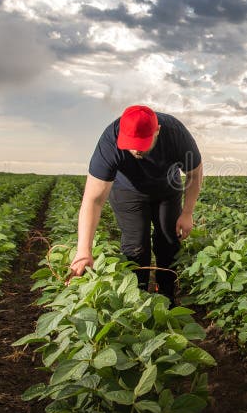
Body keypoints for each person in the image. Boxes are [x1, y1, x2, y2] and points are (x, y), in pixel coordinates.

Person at [68, 105, 203, 302]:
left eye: (142, 143)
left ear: (157, 131)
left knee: (168, 241)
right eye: (130, 143)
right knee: (135, 246)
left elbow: (194, 174)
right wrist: (83, 250)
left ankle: (166, 293)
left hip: (167, 189)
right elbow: (93, 200)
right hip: (127, 192)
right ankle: (137, 298)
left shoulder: (175, 133)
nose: (135, 149)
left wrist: (187, 213)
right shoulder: (110, 141)